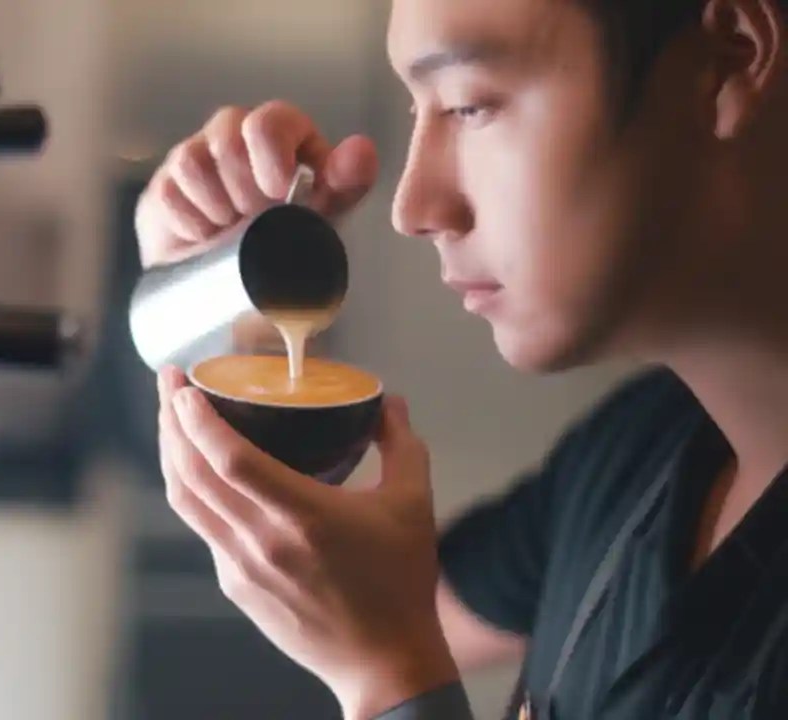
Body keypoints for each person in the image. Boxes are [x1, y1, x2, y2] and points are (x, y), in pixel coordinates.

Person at [137, 0, 788, 717]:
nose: (413, 206)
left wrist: (392, 682)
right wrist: (206, 302)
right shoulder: (641, 454)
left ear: (724, 60)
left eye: (470, 106)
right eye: (420, 113)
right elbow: (358, 605)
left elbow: (387, 643)